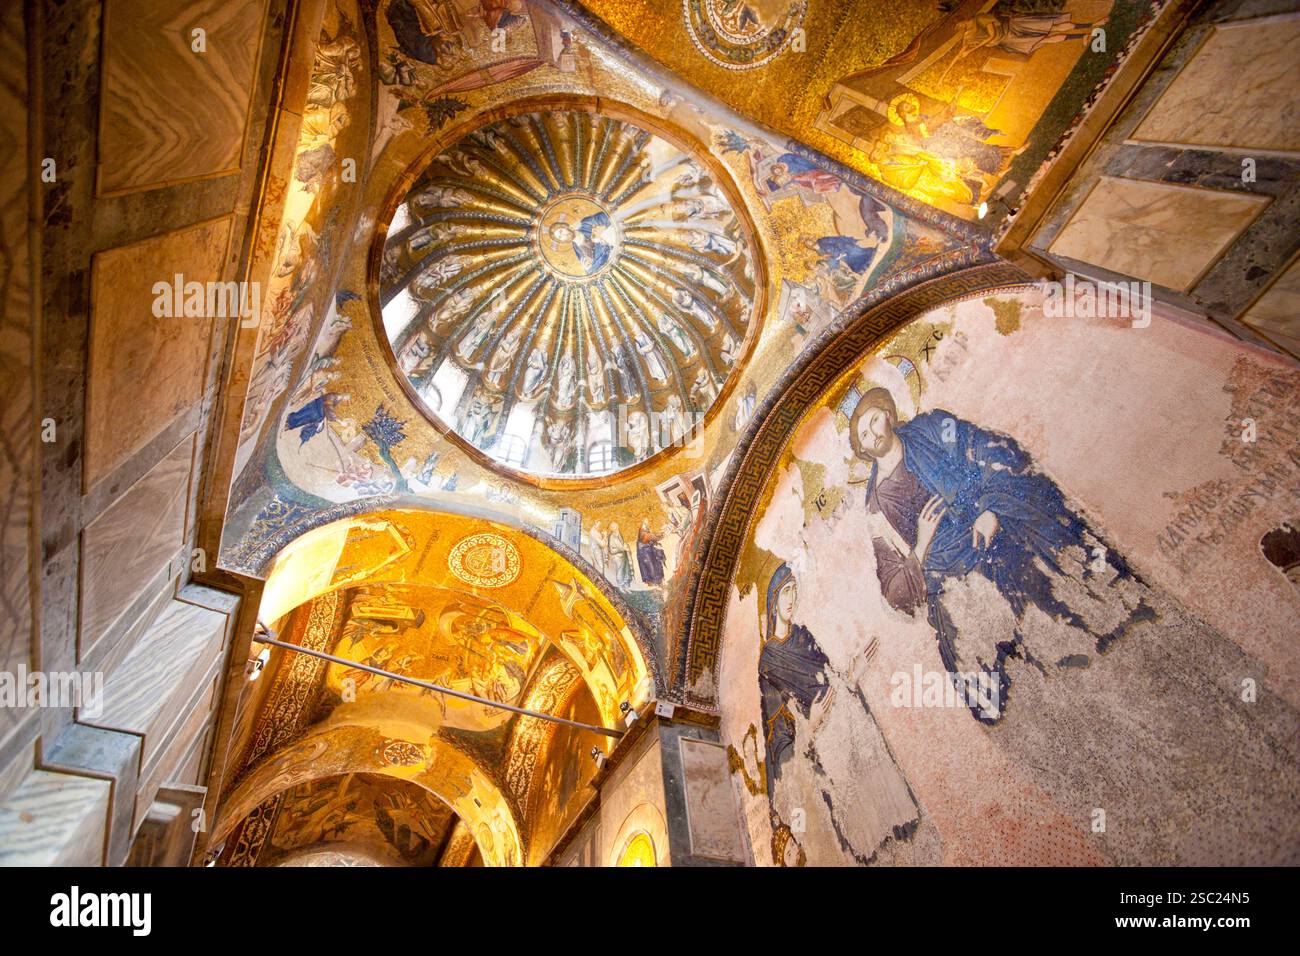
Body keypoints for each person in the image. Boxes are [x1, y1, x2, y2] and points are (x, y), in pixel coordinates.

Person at [849, 387, 1135, 722]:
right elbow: (893, 587)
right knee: (982, 677)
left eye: (873, 420)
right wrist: (921, 546)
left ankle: (1106, 606)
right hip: (948, 574)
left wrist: (988, 506)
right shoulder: (876, 509)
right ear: (863, 450)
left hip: (988, 529)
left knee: (1046, 576)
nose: (872, 434)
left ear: (888, 414)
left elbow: (986, 449)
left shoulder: (931, 428)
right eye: (863, 435)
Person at [636, 518, 666, 586]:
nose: (647, 523)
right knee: (650, 566)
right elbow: (650, 537)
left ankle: (658, 580)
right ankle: (654, 581)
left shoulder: (646, 530)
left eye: (647, 522)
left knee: (656, 563)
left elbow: (652, 536)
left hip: (648, 550)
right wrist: (658, 537)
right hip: (645, 552)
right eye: (646, 522)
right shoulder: (643, 532)